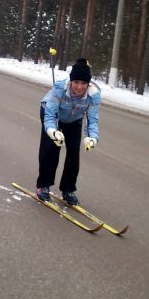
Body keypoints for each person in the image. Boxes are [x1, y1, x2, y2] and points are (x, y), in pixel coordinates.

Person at [36, 58, 100, 205]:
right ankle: (43, 185)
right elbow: (50, 115)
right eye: (76, 82)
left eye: (83, 83)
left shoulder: (94, 95)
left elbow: (92, 119)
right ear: (71, 81)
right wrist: (52, 132)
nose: (79, 87)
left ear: (88, 84)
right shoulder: (59, 88)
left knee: (73, 153)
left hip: (74, 119)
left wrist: (93, 137)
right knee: (51, 150)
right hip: (53, 116)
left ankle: (68, 189)